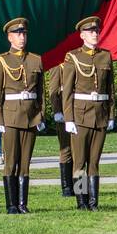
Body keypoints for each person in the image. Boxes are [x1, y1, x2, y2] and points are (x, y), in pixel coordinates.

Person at [0, 17, 45, 214]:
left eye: (24, 34)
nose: (21, 37)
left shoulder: (35, 59)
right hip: (10, 116)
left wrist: (41, 115)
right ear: (9, 37)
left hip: (31, 116)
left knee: (25, 163)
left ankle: (23, 204)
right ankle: (11, 204)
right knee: (11, 162)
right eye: (17, 34)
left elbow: (40, 92)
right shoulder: (1, 60)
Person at [61, 15, 115, 210]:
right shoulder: (73, 57)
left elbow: (110, 89)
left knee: (94, 162)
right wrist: (69, 118)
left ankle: (93, 202)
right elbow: (66, 90)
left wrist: (111, 114)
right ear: (82, 35)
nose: (95, 34)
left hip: (100, 114)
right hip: (81, 115)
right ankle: (81, 201)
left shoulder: (105, 56)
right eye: (91, 31)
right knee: (79, 163)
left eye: (97, 31)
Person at [49, 66, 72, 196]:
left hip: (81, 111)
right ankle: (67, 187)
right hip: (64, 111)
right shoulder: (58, 63)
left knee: (82, 153)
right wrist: (57, 111)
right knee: (66, 150)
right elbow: (53, 89)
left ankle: (81, 188)